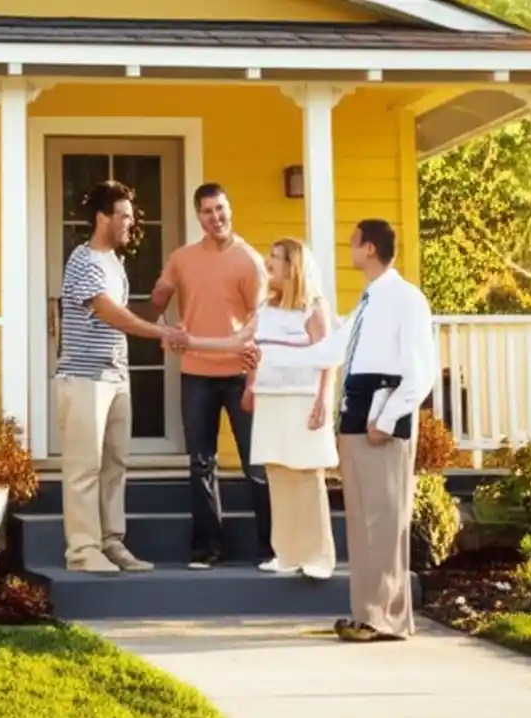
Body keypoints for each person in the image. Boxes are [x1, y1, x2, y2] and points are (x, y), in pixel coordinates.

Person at [250, 219, 436, 641]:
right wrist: (270, 362)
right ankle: (367, 614)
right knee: (363, 523)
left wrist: (386, 420)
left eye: (353, 242)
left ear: (369, 248)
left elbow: (419, 371)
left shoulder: (406, 299)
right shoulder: (367, 302)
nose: (348, 248)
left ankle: (385, 618)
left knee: (385, 521)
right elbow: (332, 350)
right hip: (356, 419)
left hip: (380, 421)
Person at [55, 181, 252, 575]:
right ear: (102, 218)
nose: (131, 223)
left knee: (114, 464)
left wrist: (162, 319)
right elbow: (111, 313)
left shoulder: (115, 263)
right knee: (84, 468)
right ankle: (82, 550)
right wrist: (164, 333)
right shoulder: (84, 260)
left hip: (115, 375)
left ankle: (111, 542)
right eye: (124, 215)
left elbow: (134, 313)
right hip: (83, 377)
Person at [149, 183, 270, 570]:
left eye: (220, 209)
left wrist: (252, 378)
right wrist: (163, 313)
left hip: (239, 375)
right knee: (201, 462)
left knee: (256, 462)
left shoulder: (249, 261)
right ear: (197, 216)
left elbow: (260, 324)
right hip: (196, 374)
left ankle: (271, 546)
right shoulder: (182, 258)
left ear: (229, 209)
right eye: (207, 211)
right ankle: (206, 548)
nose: (215, 218)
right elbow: (158, 302)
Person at [243, 238, 338, 580]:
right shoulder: (265, 309)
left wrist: (323, 400)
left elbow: (328, 358)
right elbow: (246, 345)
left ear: (292, 265)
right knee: (278, 473)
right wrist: (250, 384)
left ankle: (318, 557)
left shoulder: (314, 307)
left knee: (306, 475)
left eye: (275, 257)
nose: (268, 261)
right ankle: (285, 554)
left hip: (302, 399)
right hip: (271, 400)